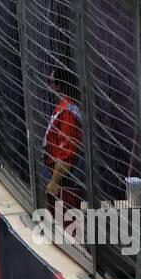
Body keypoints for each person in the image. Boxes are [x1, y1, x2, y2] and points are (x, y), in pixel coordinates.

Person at [43, 65, 84, 202]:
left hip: (64, 180)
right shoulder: (65, 107)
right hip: (59, 174)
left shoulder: (67, 112)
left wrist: (55, 183)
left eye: (50, 81)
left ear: (59, 86)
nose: (48, 85)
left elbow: (67, 152)